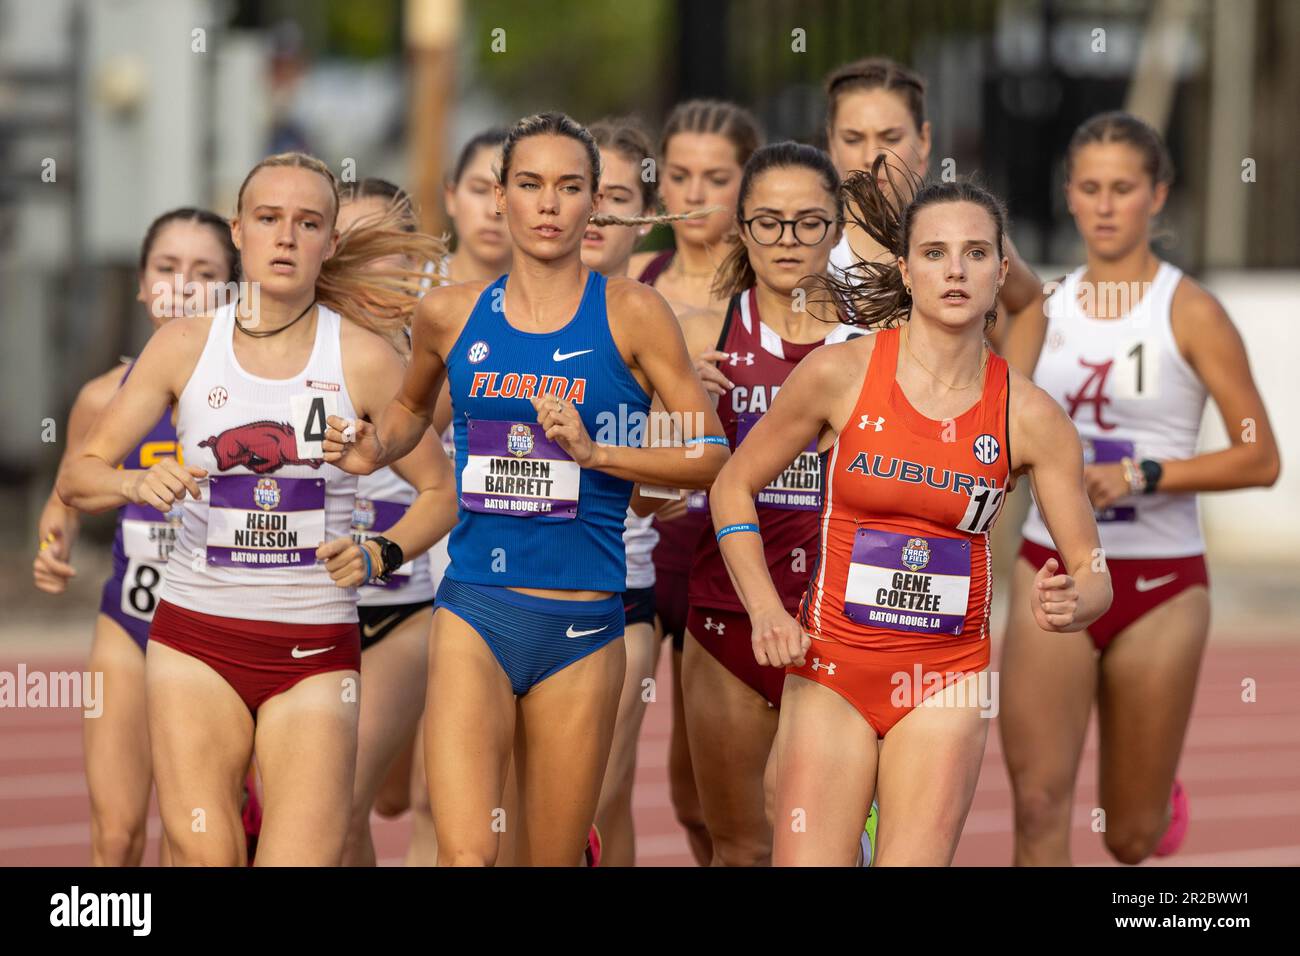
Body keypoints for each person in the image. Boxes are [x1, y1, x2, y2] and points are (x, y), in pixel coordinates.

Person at [323, 111, 728, 866]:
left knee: (551, 854)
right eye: (531, 185)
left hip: (581, 620)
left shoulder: (635, 314)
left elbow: (711, 454)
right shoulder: (450, 313)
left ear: (595, 204)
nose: (549, 204)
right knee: (465, 852)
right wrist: (371, 447)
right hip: (474, 606)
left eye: (570, 187)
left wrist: (598, 451)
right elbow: (413, 409)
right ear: (500, 197)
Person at [710, 161, 1112, 865]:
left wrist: (1077, 600)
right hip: (830, 666)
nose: (955, 270)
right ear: (905, 268)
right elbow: (731, 486)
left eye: (975, 253)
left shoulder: (1032, 415)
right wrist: (768, 611)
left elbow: (1092, 567)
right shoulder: (841, 374)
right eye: (934, 253)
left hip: (944, 679)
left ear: (999, 272)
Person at [58, 152, 452, 866]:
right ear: (238, 231)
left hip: (313, 649)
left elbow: (440, 494)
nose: (286, 237)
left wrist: (379, 552)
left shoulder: (363, 359)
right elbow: (79, 474)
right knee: (206, 856)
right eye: (268, 219)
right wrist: (129, 485)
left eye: (307, 223)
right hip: (193, 644)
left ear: (330, 243)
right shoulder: (183, 345)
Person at [1000, 112, 1280, 866]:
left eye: (1123, 188)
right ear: (1068, 195)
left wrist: (1141, 474)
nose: (1104, 205)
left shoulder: (1189, 310)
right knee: (1035, 804)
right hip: (1051, 571)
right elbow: (995, 430)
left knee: (1128, 838)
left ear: (1157, 196)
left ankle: (1155, 808)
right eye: (1089, 188)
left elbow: (1261, 458)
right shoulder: (1045, 307)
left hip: (1158, 580)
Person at [33, 208, 238, 866]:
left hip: (222, 639)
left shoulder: (257, 393)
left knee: (196, 837)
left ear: (234, 289)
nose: (183, 284)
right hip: (129, 624)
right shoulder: (102, 398)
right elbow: (67, 490)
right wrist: (54, 542)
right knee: (116, 834)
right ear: (143, 285)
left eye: (205, 272)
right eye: (167, 268)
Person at [676, 141, 860, 866]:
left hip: (846, 620)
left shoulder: (881, 338)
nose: (788, 240)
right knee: (742, 848)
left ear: (839, 227)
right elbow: (642, 496)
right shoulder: (698, 335)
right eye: (770, 223)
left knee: (825, 845)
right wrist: (671, 401)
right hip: (729, 617)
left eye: (809, 223)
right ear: (741, 230)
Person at [628, 98, 763, 864]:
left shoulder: (775, 295)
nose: (695, 194)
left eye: (717, 177)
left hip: (737, 553)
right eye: (678, 176)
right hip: (649, 544)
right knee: (681, 800)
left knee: (727, 805)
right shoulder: (635, 285)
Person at [332, 178, 457, 866]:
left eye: (383, 246)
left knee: (344, 796)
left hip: (406, 603)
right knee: (372, 803)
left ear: (412, 257)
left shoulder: (436, 349)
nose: (362, 260)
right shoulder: (290, 345)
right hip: (306, 603)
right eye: (347, 243)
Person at [821, 56, 1045, 374]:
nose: (872, 156)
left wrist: (1009, 403)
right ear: (831, 142)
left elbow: (1029, 302)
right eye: (853, 139)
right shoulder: (802, 237)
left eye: (890, 137)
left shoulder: (964, 230)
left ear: (924, 140)